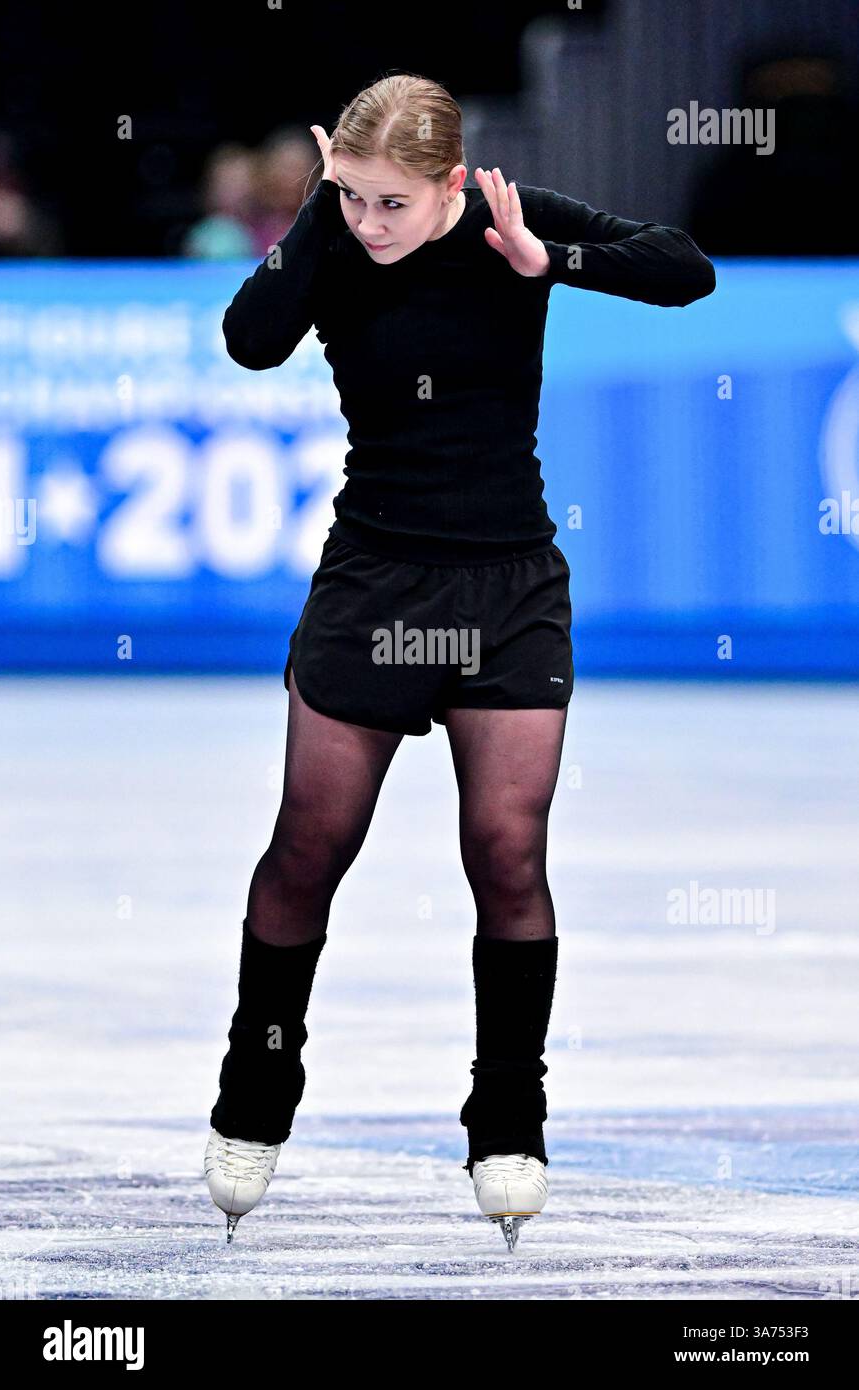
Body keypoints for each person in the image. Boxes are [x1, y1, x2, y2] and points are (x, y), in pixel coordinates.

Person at [203, 73, 716, 1250]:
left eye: (391, 203)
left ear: (446, 183)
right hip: (375, 580)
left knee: (505, 850)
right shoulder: (334, 234)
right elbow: (250, 340)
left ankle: (507, 1110)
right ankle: (256, 1084)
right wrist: (323, 211)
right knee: (306, 848)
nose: (371, 225)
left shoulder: (504, 215)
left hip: (507, 587)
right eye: (354, 198)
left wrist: (552, 263)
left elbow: (683, 266)